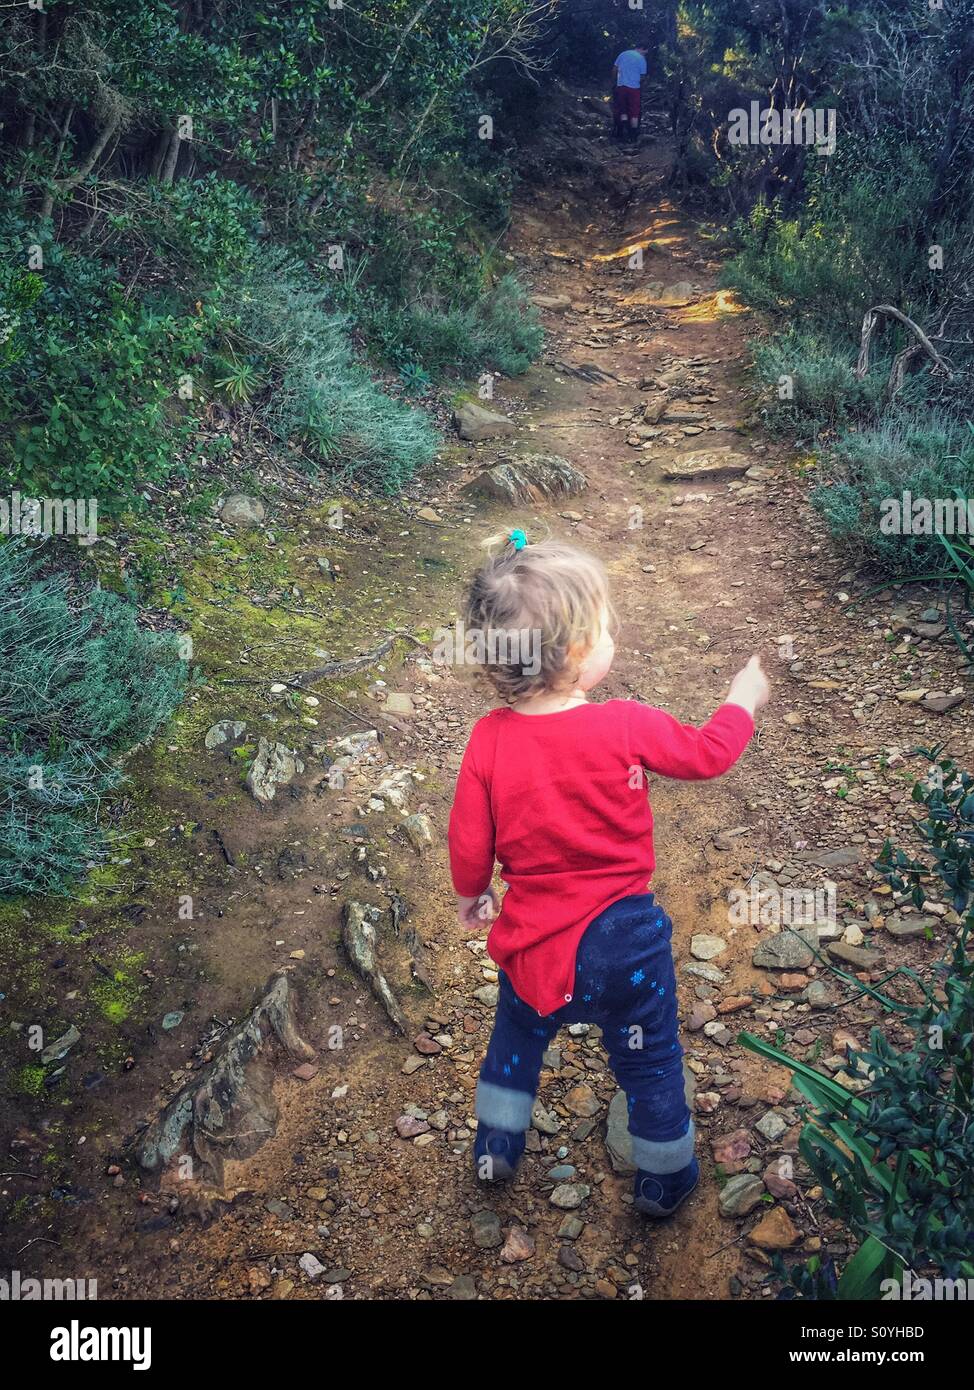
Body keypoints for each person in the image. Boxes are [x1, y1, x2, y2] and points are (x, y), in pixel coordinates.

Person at [447, 532, 770, 1217]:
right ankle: (663, 1175)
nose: (611, 634)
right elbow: (710, 754)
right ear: (571, 654)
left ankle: (495, 1148)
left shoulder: (488, 740)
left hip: (536, 948)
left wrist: (473, 895)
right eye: (602, 627)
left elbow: (470, 842)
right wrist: (743, 698)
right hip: (627, 945)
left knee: (515, 1040)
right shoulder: (626, 725)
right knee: (648, 1059)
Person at [612, 43, 649, 142]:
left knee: (621, 108)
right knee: (634, 111)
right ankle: (633, 135)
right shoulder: (642, 59)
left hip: (621, 86)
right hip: (634, 88)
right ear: (642, 48)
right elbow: (642, 77)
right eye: (645, 53)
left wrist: (615, 81)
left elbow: (614, 69)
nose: (645, 55)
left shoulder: (623, 54)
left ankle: (620, 131)